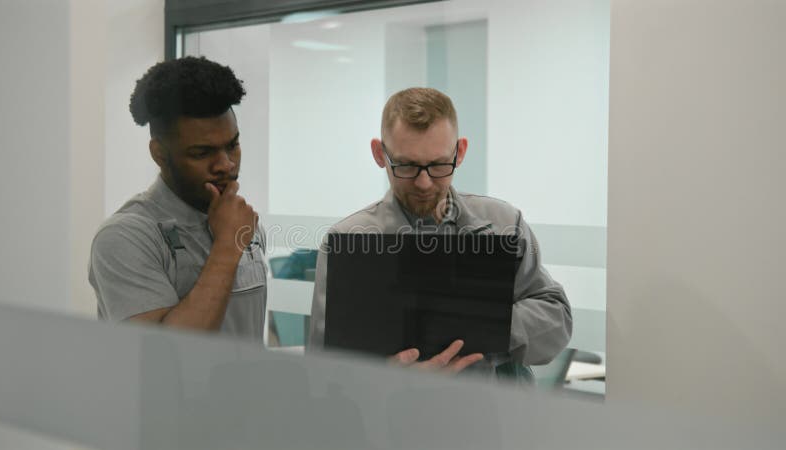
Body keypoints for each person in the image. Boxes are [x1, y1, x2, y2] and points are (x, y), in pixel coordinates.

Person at [308, 87, 572, 376]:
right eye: (406, 166)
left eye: (437, 165)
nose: (423, 183)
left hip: (492, 415)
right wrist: (386, 377)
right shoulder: (349, 242)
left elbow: (557, 320)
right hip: (393, 416)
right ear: (379, 154)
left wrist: (485, 324)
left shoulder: (504, 224)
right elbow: (324, 368)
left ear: (459, 152)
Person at [89, 56, 266, 340]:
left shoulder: (244, 223)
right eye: (202, 153)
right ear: (159, 154)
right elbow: (165, 356)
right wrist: (227, 246)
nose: (225, 164)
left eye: (232, 146)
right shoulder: (124, 237)